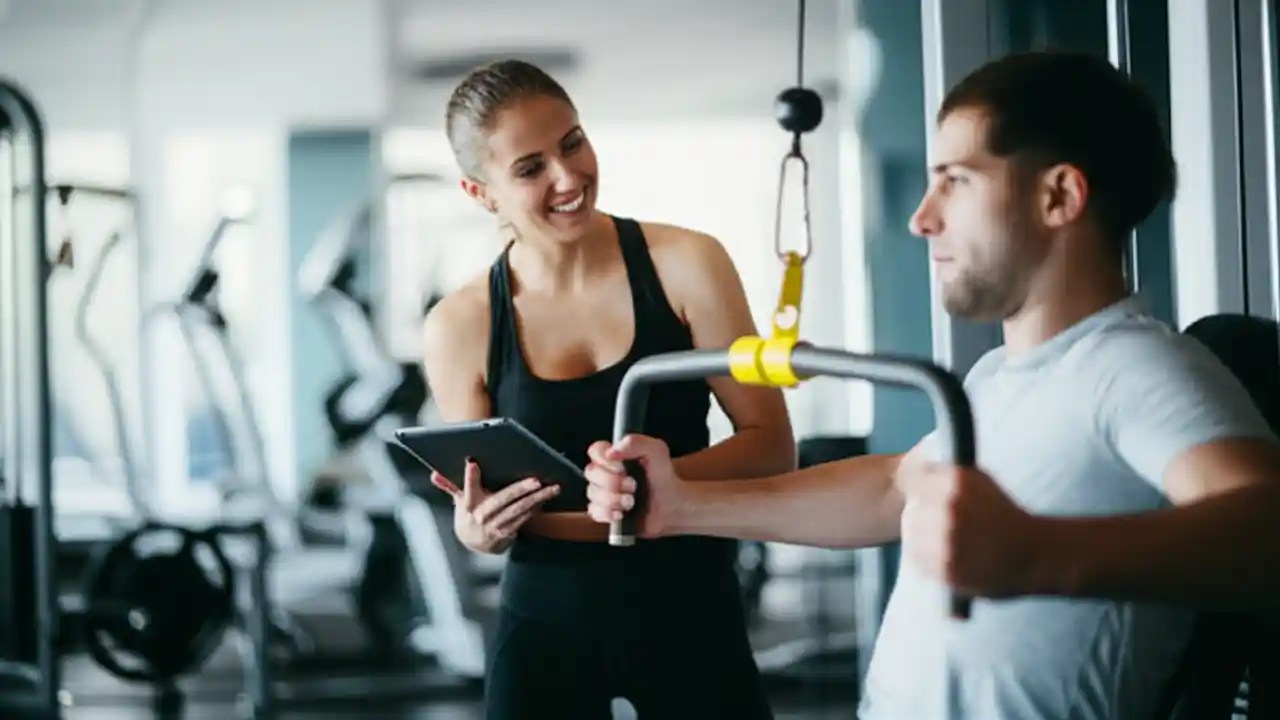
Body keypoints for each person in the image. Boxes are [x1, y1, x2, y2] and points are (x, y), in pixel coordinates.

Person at [583, 51, 1280, 719]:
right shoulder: (1000, 376)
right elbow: (893, 491)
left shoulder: (1136, 367)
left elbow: (1264, 529)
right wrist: (680, 506)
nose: (923, 217)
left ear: (1059, 195)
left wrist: (1040, 554)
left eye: (956, 180)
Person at [420, 59, 796, 719]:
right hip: (544, 619)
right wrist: (478, 531)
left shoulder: (687, 264)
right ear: (481, 193)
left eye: (572, 143)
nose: (569, 178)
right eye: (530, 168)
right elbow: (483, 511)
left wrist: (650, 486)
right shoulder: (461, 323)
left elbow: (771, 446)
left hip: (689, 601)